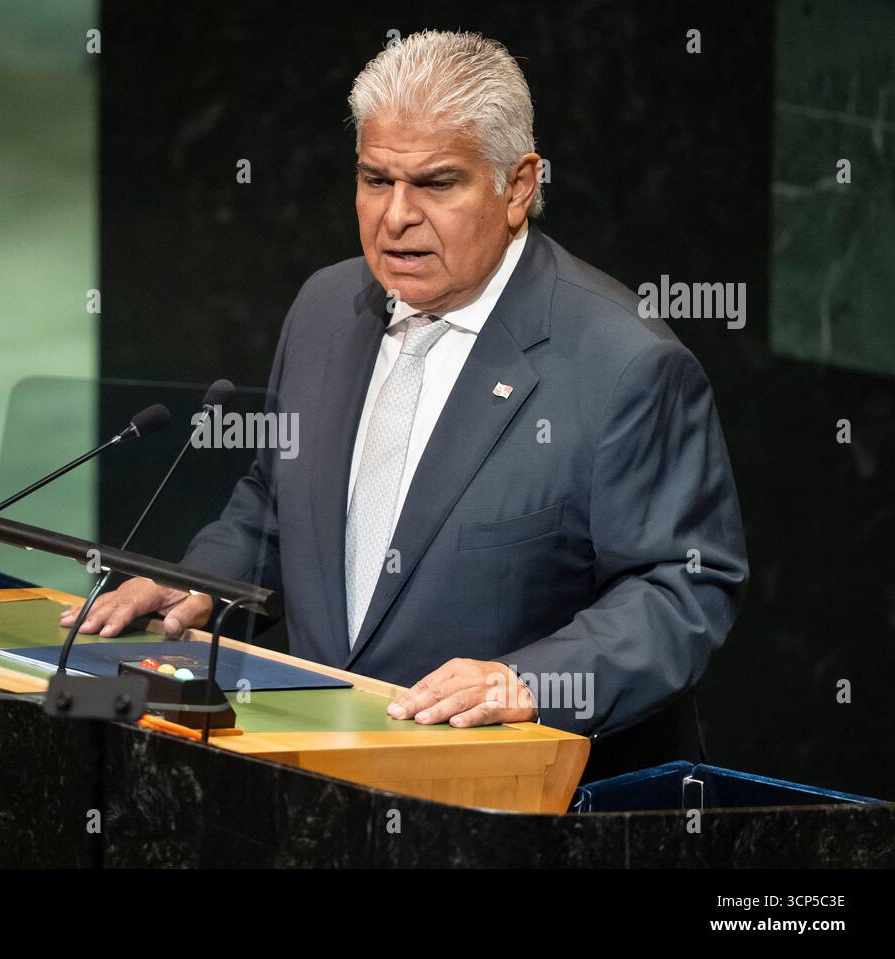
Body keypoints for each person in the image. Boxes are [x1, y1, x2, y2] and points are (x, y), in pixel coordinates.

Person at [61, 30, 749, 777]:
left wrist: (530, 680)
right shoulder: (327, 306)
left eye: (436, 183)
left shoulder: (625, 364)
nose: (395, 217)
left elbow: (681, 587)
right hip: (319, 779)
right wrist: (201, 585)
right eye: (375, 179)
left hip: (512, 801)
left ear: (517, 185)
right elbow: (275, 502)